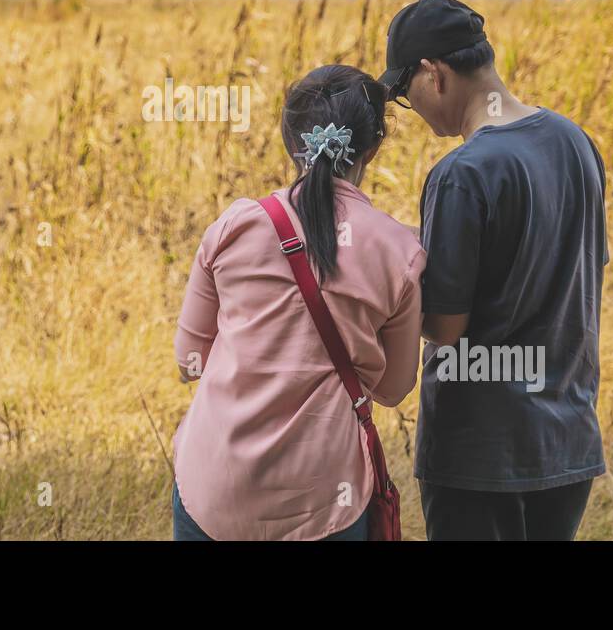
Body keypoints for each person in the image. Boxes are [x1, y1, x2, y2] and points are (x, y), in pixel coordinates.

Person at [377, 0, 608, 540]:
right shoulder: (574, 142)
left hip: (480, 454)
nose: (413, 111)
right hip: (566, 441)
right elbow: (576, 264)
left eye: (406, 96)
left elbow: (446, 327)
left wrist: (388, 276)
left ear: (433, 75)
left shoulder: (462, 173)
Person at [171, 64, 425, 540]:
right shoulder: (400, 253)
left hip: (213, 488)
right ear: (373, 147)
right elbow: (392, 389)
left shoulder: (235, 226)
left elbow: (190, 363)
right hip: (325, 497)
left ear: (291, 142)